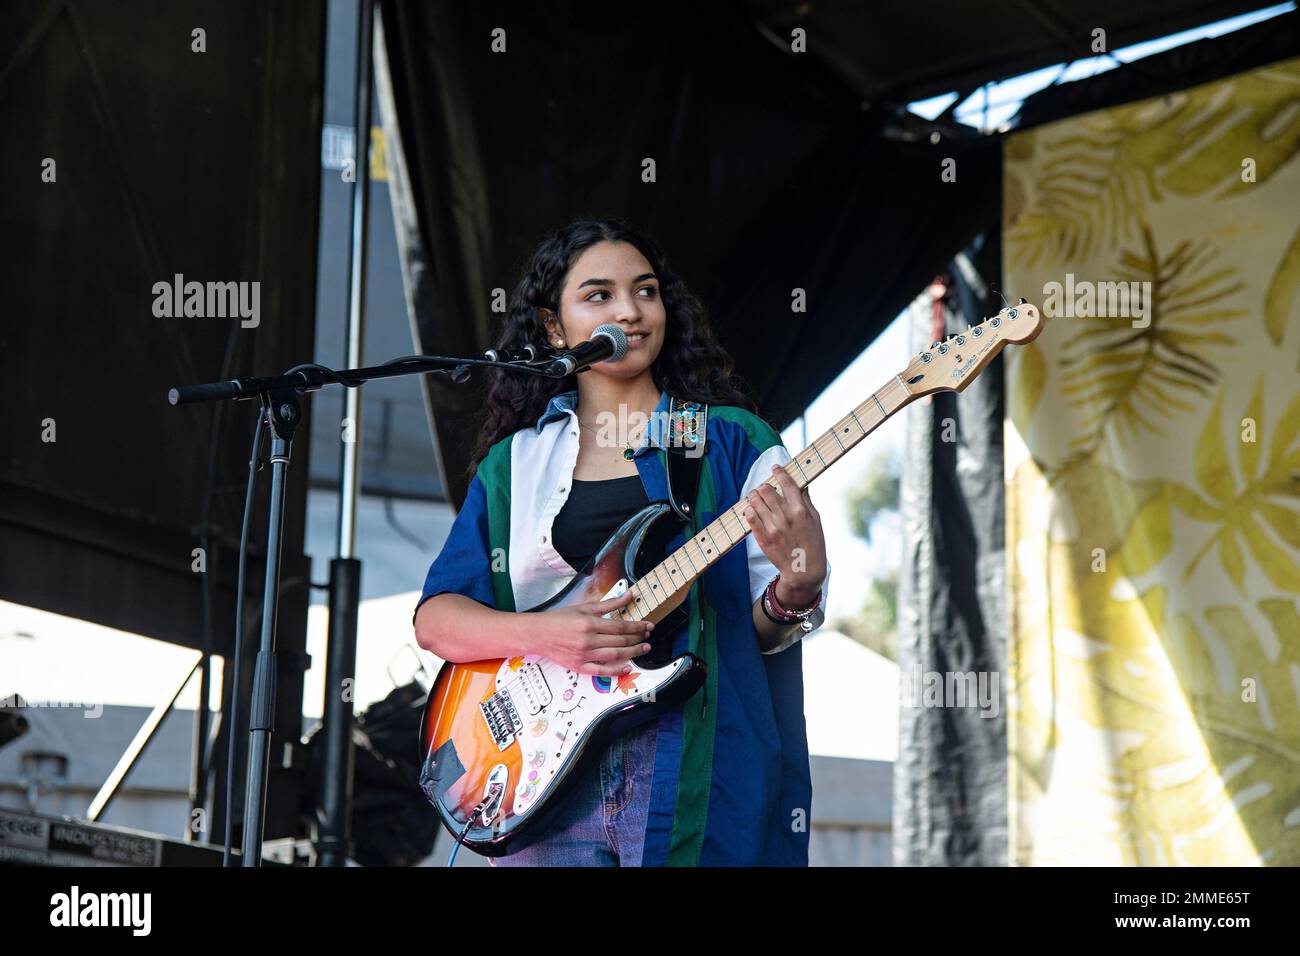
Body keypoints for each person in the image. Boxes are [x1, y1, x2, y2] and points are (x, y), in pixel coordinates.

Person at [413, 218, 830, 866]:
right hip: (543, 775)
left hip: (692, 762)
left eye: (646, 291)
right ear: (555, 329)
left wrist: (798, 584)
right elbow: (439, 619)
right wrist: (546, 634)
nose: (630, 311)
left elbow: (761, 632)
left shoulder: (732, 440)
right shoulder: (514, 466)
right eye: (599, 295)